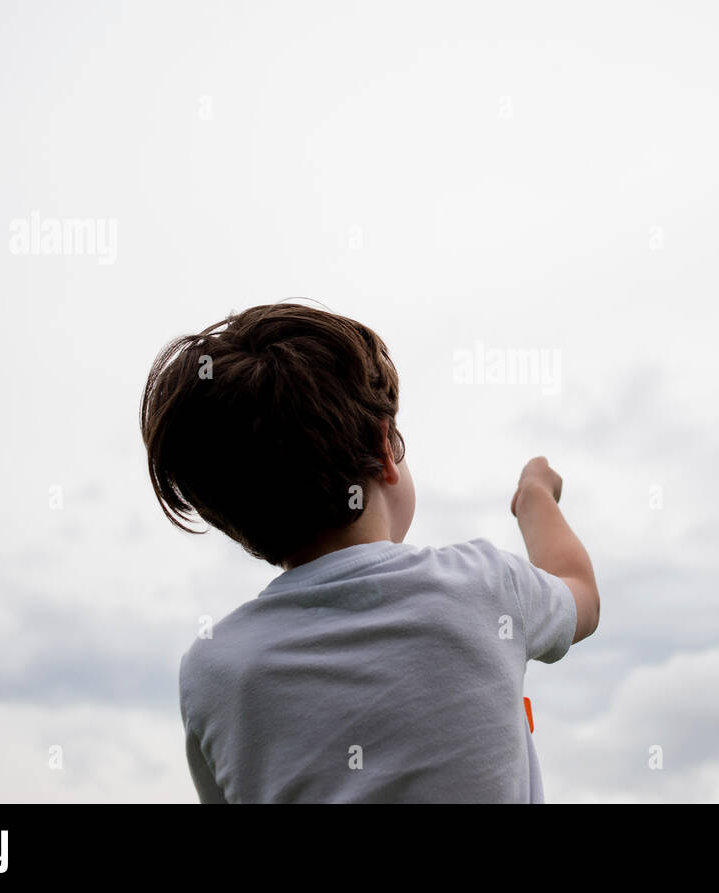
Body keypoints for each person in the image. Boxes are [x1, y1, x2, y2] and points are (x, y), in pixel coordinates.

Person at [139, 303, 599, 802]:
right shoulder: (484, 585)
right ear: (385, 449)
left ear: (228, 516)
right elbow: (582, 594)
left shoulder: (214, 671)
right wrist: (533, 498)